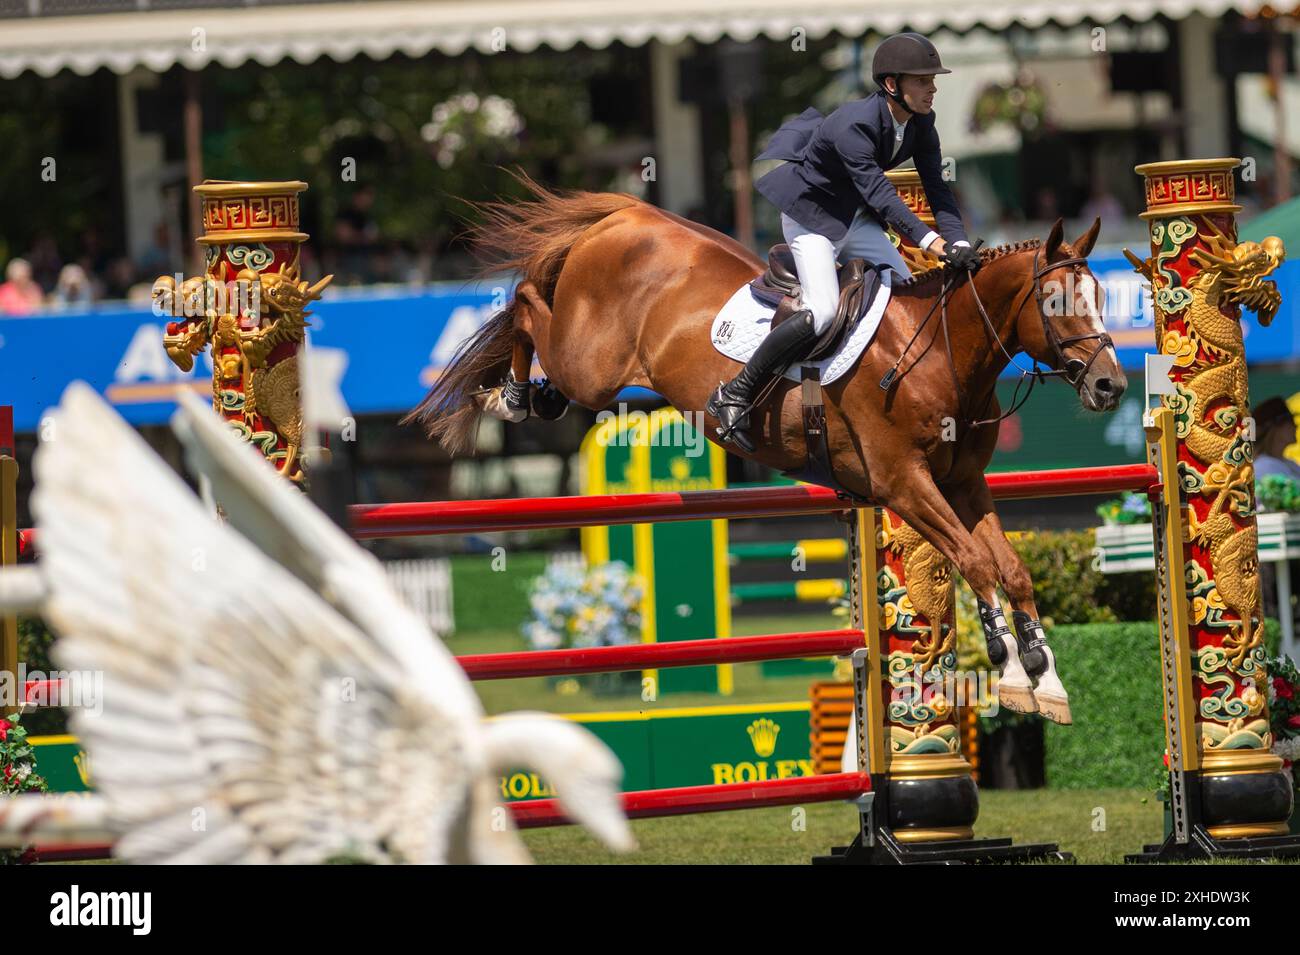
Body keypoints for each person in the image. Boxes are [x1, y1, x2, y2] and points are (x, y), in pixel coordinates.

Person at [707, 32, 978, 451]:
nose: (933, 87)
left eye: (932, 79)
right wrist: (932, 244)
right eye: (922, 80)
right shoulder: (854, 124)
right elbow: (882, 197)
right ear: (892, 85)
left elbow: (937, 190)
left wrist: (957, 243)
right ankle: (736, 392)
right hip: (812, 218)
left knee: (907, 296)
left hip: (853, 217)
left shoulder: (922, 123)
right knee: (822, 310)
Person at [1252, 396, 1300, 482]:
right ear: (1276, 428)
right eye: (1291, 421)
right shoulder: (1264, 466)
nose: (1296, 426)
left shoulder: (1289, 463)